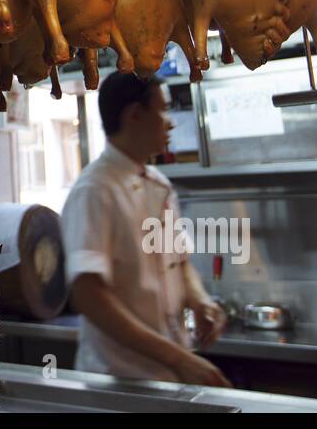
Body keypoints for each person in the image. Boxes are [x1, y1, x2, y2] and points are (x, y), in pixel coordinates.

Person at [61, 72, 231, 386]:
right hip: (119, 380)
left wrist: (200, 301)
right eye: (163, 109)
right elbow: (88, 296)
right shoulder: (95, 189)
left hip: (168, 376)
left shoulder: (159, 185)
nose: (171, 122)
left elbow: (179, 264)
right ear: (135, 115)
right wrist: (179, 358)